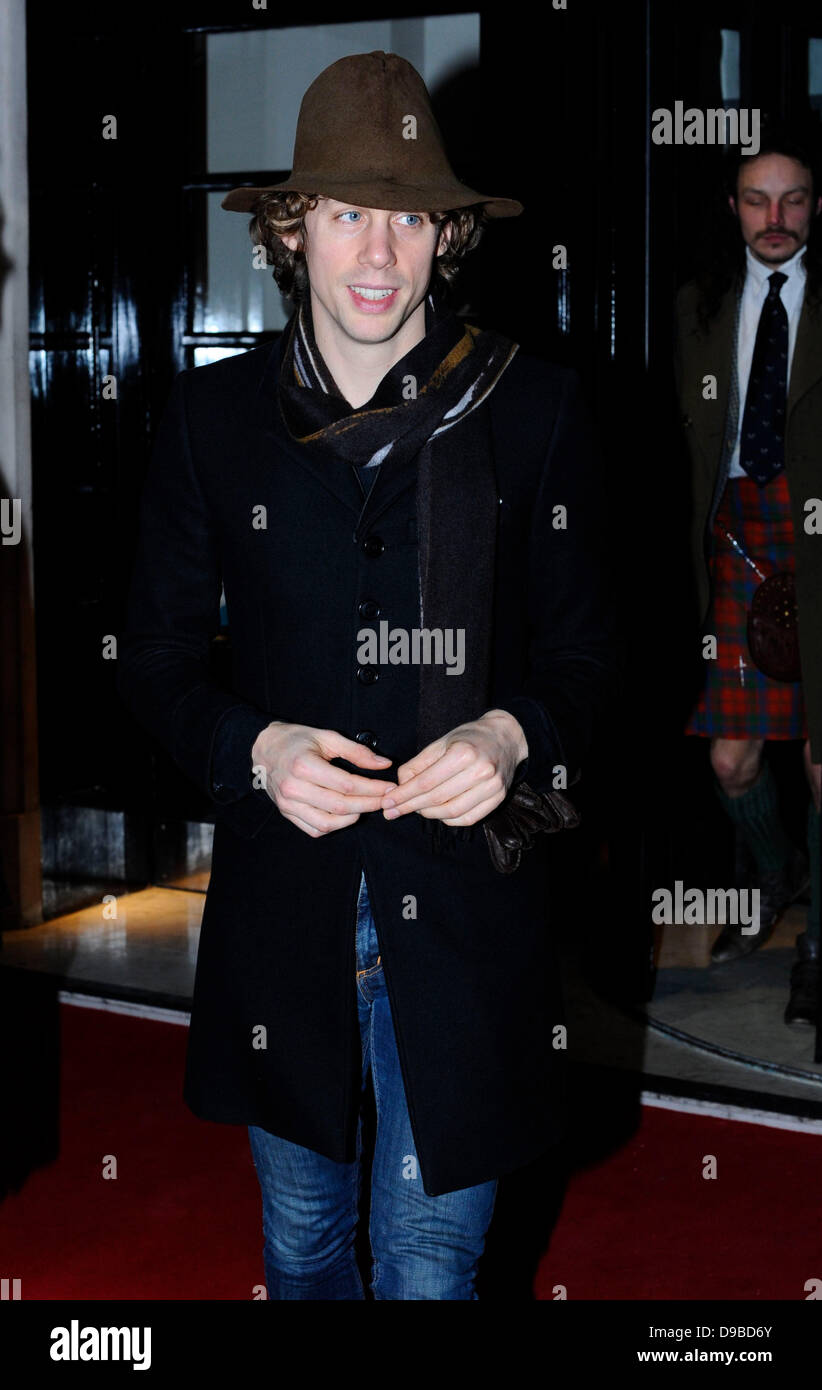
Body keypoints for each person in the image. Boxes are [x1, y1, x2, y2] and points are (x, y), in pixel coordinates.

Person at [117, 50, 615, 1299]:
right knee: (301, 1248)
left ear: (447, 236)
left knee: (433, 1268)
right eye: (347, 213)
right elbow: (157, 661)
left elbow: (602, 655)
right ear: (293, 230)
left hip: (465, 912)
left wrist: (510, 735)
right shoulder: (210, 419)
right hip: (285, 914)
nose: (380, 252)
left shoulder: (535, 408)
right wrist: (256, 748)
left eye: (407, 216)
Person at [674, 119, 822, 1025]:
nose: (776, 216)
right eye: (758, 199)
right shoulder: (701, 303)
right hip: (735, 538)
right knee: (733, 760)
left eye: (794, 198)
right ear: (733, 208)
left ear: (816, 206)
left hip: (820, 537)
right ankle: (774, 873)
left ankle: (818, 950)